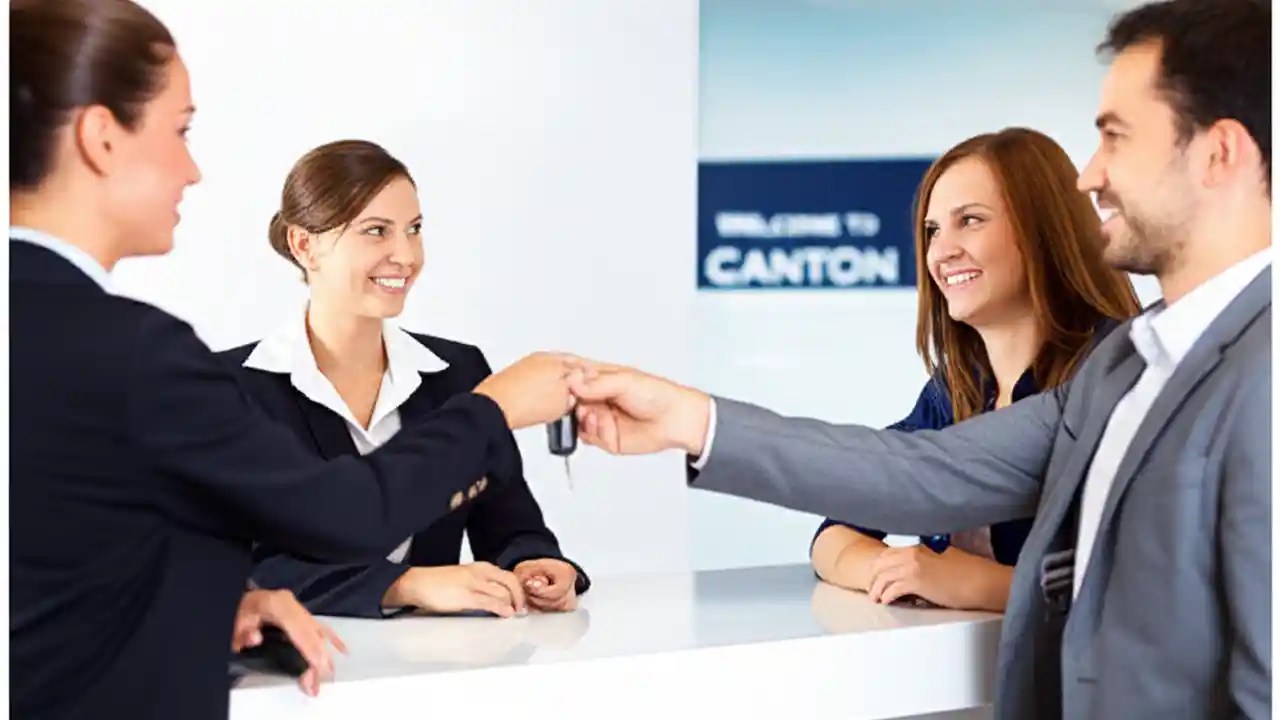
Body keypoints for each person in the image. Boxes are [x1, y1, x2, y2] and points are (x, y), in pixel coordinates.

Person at [567, 1, 1270, 717]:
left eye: (1116, 138)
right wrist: (691, 420)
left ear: (1219, 153)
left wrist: (967, 580)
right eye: (936, 227)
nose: (1090, 176)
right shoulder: (1130, 364)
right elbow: (920, 471)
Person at [10, 1, 576, 718]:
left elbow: (66, 557)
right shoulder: (142, 357)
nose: (193, 170)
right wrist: (496, 408)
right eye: (180, 131)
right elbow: (348, 515)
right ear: (100, 137)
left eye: (413, 229)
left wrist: (221, 602)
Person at [220, 140, 588, 619]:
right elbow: (249, 566)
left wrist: (533, 563)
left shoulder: (457, 372)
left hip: (431, 671)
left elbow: (509, 521)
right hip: (304, 674)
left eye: (414, 230)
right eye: (376, 231)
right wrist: (407, 585)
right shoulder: (232, 389)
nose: (406, 255)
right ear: (304, 245)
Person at [812, 128, 1140, 612]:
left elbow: (1137, 588)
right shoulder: (954, 388)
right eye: (933, 230)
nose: (942, 252)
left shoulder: (1123, 377)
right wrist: (897, 570)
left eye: (970, 220)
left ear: (1042, 230)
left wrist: (979, 584)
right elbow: (834, 533)